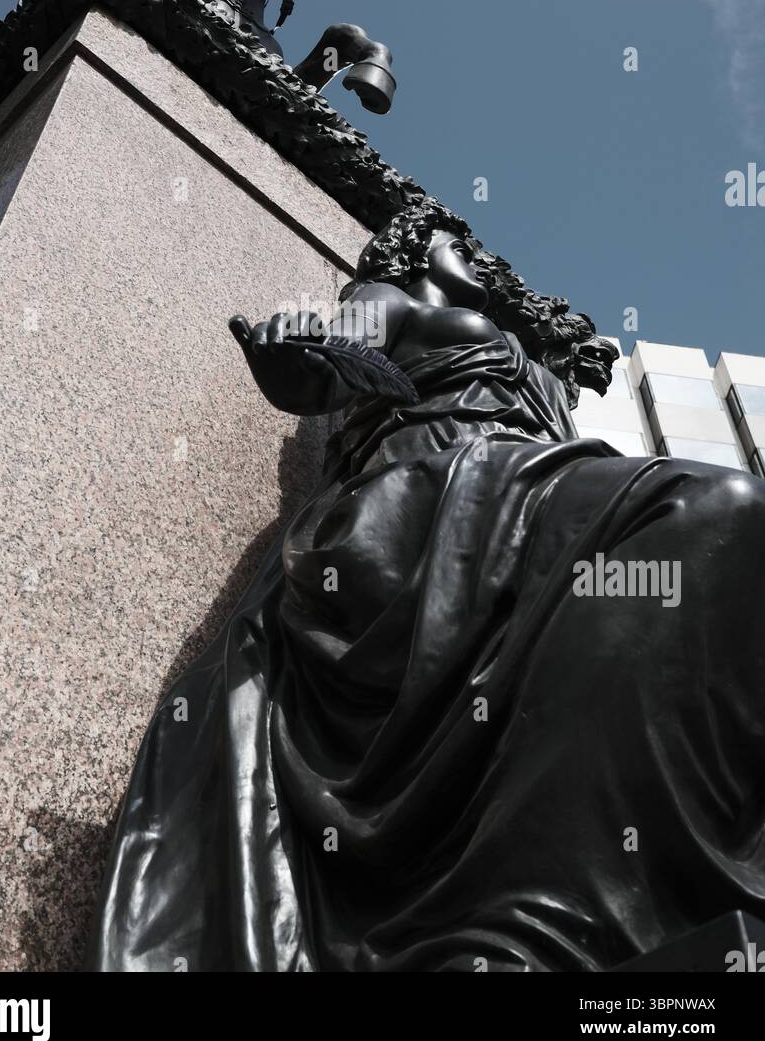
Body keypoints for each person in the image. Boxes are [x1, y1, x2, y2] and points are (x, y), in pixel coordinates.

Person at [89, 199, 765, 971]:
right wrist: (291, 348)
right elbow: (321, 359)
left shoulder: (519, 348)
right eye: (457, 242)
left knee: (709, 545)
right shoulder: (389, 299)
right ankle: (538, 928)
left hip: (530, 494)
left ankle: (597, 905)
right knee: (718, 511)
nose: (474, 257)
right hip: (428, 500)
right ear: (412, 249)